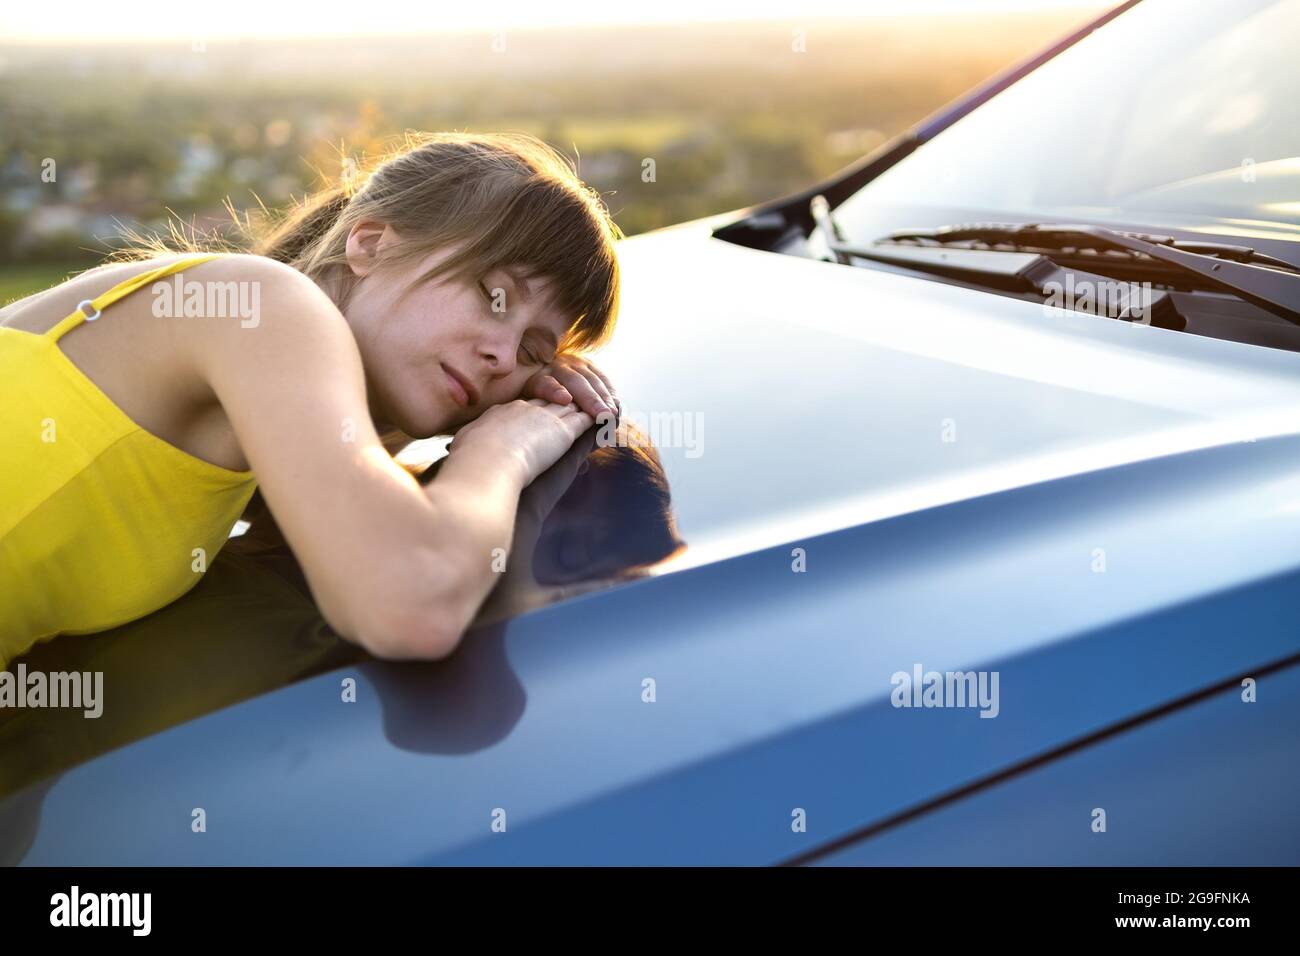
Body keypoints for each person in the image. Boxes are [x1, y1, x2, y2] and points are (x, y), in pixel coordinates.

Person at [0, 130, 623, 666]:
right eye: (494, 295)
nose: (502, 357)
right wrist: (503, 449)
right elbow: (408, 604)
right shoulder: (261, 305)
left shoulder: (263, 411)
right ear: (370, 244)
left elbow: (355, 510)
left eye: (535, 351)